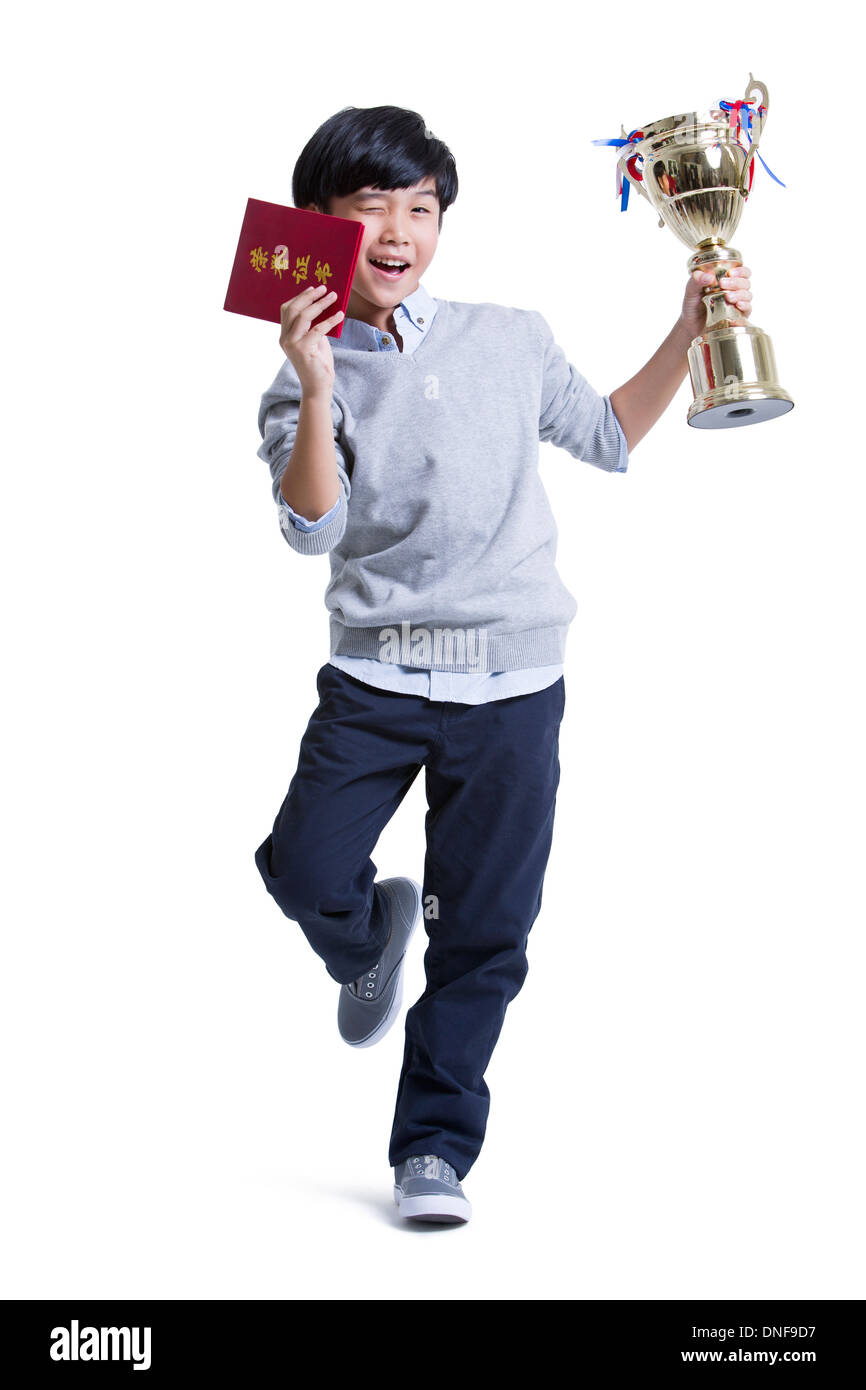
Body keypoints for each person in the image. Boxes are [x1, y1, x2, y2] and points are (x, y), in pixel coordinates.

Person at [252, 104, 752, 1225]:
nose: (397, 231)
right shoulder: (296, 375)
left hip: (513, 685)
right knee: (299, 865)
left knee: (482, 932)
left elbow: (611, 436)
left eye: (419, 209)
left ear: (439, 224)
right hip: (377, 680)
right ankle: (362, 936)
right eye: (370, 207)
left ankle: (433, 1147)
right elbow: (310, 531)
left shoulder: (509, 337)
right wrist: (321, 383)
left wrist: (686, 330)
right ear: (317, 228)